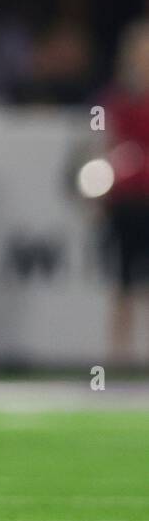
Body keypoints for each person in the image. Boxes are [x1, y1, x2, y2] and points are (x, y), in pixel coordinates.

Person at [100, 20, 149, 365]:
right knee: (123, 281)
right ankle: (120, 356)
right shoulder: (117, 101)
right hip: (127, 203)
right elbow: (108, 146)